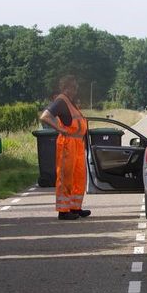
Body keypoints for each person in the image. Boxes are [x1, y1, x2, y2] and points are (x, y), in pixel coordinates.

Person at [40, 75, 91, 220]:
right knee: (66, 177)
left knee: (78, 176)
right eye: (73, 87)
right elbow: (45, 116)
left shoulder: (70, 102)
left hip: (77, 143)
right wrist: (59, 129)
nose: (75, 90)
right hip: (68, 144)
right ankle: (63, 211)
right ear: (66, 88)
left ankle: (75, 207)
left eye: (76, 87)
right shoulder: (61, 101)